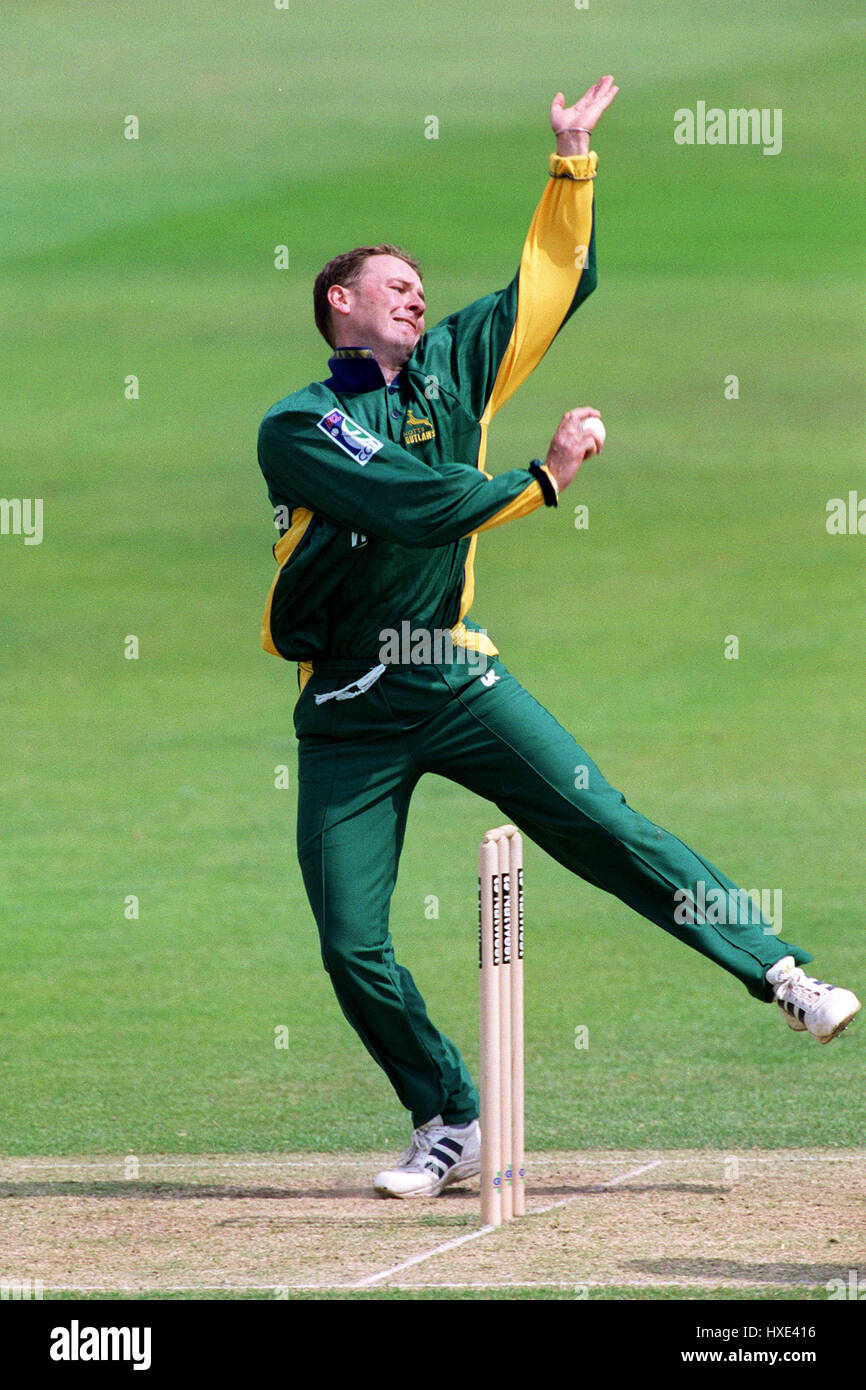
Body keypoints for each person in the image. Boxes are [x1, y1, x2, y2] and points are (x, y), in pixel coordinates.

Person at [256, 78, 860, 1200]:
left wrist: (570, 165)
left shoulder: (451, 366)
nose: (415, 296)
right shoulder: (302, 425)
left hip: (449, 671)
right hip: (345, 705)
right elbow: (408, 503)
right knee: (350, 942)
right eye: (393, 285)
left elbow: (550, 280)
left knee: (602, 823)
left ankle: (775, 970)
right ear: (338, 300)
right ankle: (447, 1114)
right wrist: (537, 481)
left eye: (420, 287)